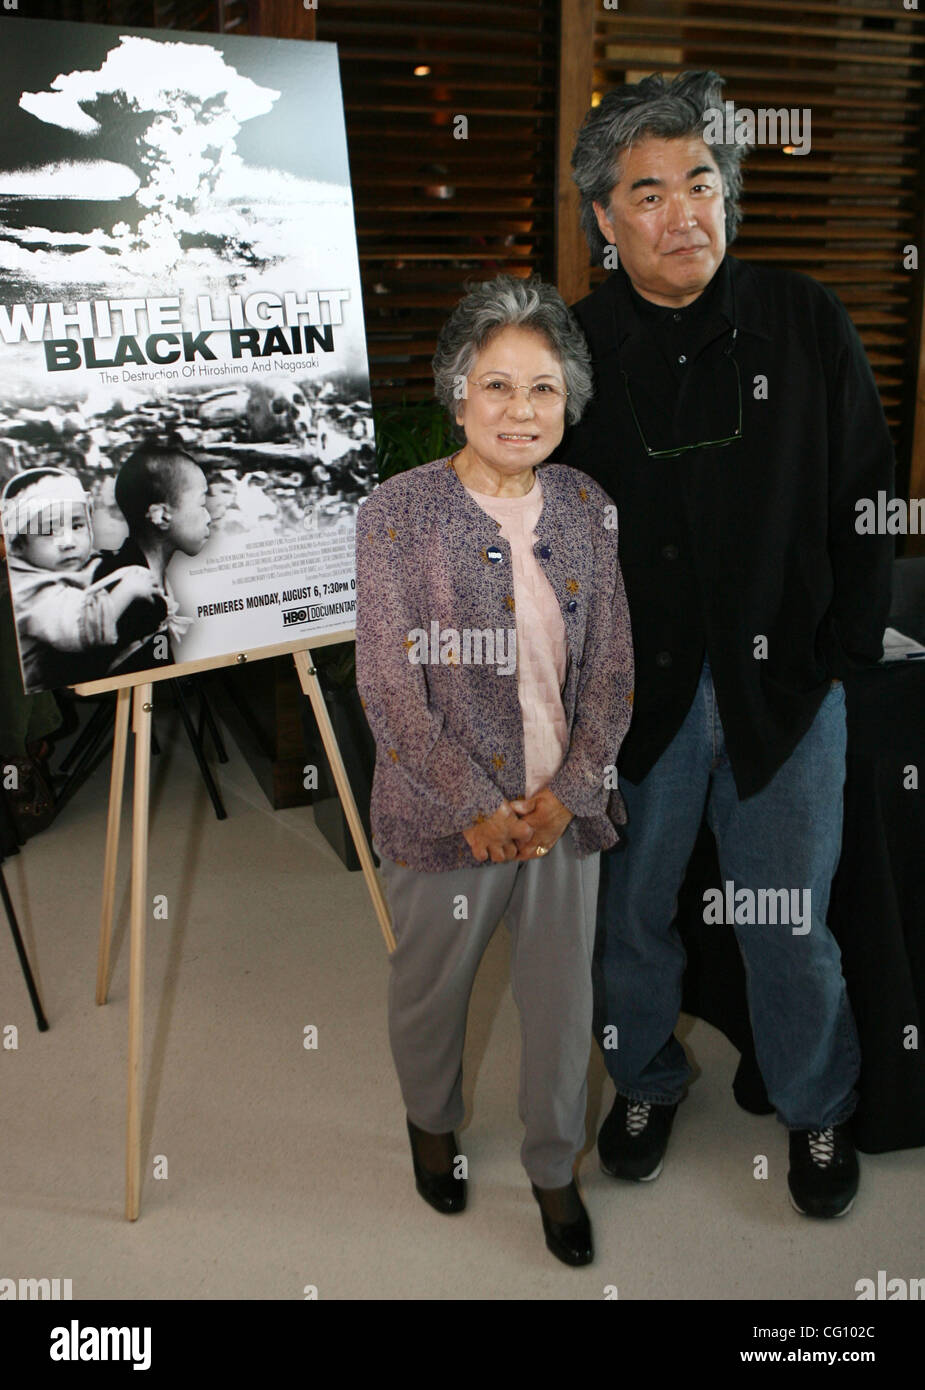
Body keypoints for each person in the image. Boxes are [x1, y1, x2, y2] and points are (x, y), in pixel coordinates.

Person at [560, 70, 894, 1218]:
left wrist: (842, 650)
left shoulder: (804, 319)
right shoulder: (574, 347)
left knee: (788, 920)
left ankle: (816, 1106)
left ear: (729, 193)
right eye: (646, 193)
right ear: (603, 221)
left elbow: (863, 491)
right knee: (628, 919)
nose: (681, 212)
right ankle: (645, 1079)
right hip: (623, 697)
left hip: (784, 689)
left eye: (700, 182)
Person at [355, 275, 633, 1265]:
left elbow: (610, 674)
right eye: (498, 386)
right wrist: (476, 805)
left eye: (544, 389)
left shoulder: (589, 508)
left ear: (570, 399)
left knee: (562, 1011)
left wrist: (566, 793)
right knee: (431, 989)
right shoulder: (397, 514)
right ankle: (430, 1121)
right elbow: (390, 691)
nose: (522, 410)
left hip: (564, 812)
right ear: (455, 393)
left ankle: (554, 1169)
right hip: (444, 816)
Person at [1, 467, 163, 690]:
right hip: (44, 694)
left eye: (77, 526)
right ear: (17, 546)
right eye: (49, 531)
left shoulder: (50, 563)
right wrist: (128, 589)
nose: (69, 542)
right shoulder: (29, 590)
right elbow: (81, 628)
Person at [94, 442, 212, 674]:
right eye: (201, 503)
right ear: (161, 515)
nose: (208, 517)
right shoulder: (126, 591)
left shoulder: (153, 578)